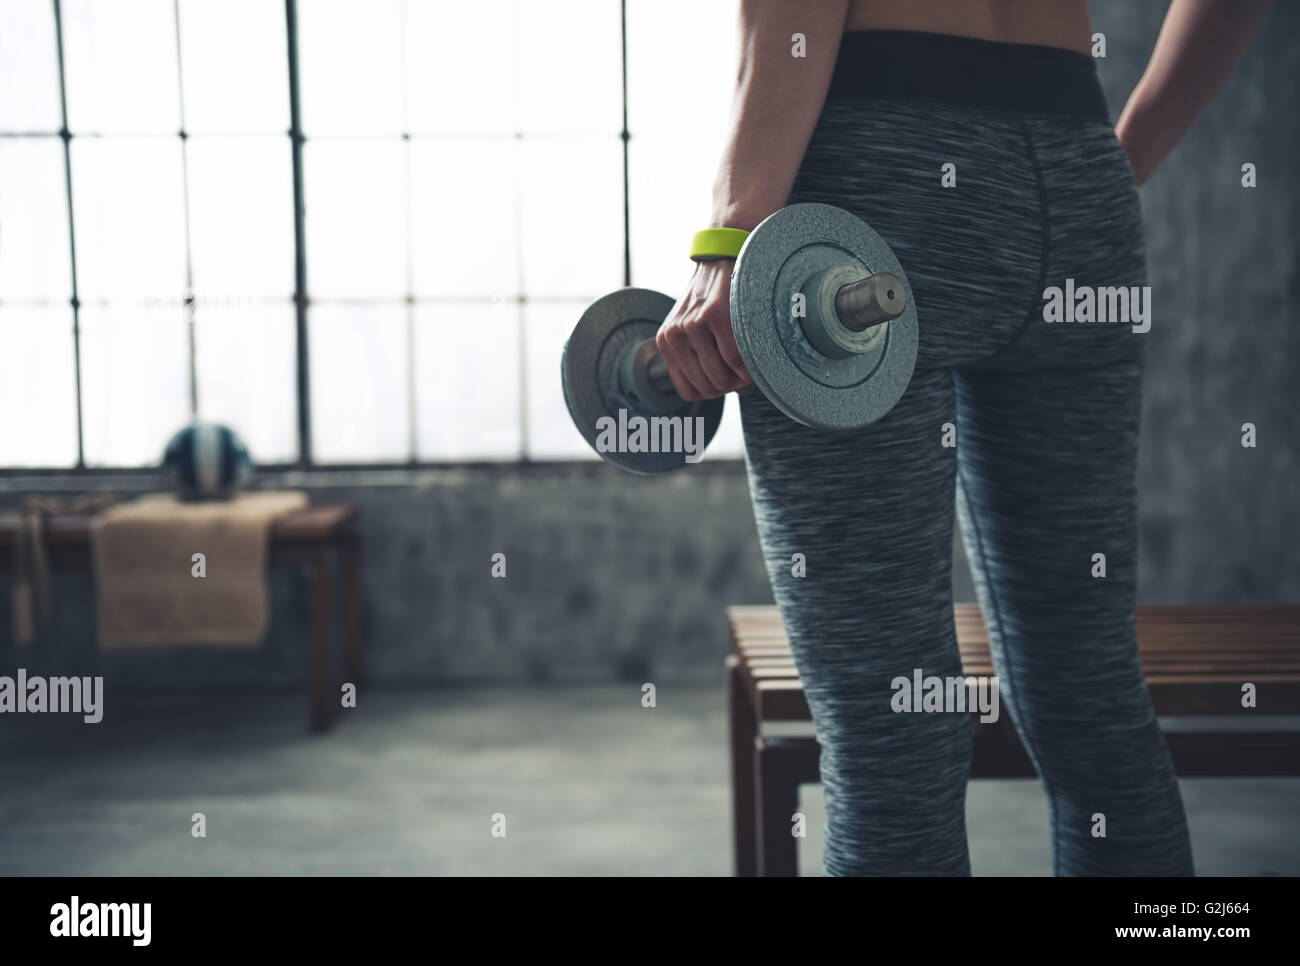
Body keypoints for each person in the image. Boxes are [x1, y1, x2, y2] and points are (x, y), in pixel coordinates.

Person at [655, 0, 1270, 875]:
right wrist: (1110, 162)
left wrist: (736, 236)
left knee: (891, 728)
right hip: (1075, 167)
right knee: (1090, 695)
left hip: (873, 190)